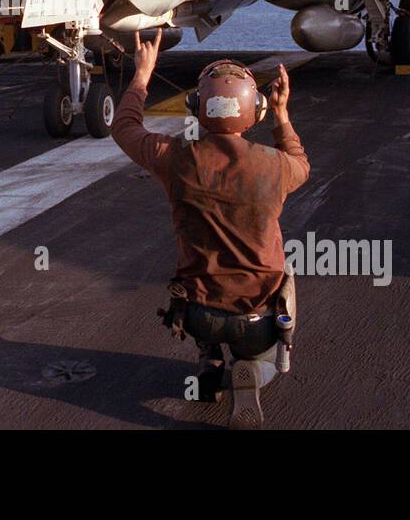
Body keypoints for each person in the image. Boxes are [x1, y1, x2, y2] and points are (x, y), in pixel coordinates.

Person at [112, 30, 309, 428]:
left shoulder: (174, 158)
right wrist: (283, 114)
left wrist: (142, 74)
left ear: (197, 107)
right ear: (255, 109)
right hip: (257, 320)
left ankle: (211, 364)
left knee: (202, 290)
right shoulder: (277, 165)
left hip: (197, 314)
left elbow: (124, 127)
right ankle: (253, 372)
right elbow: (301, 162)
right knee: (284, 288)